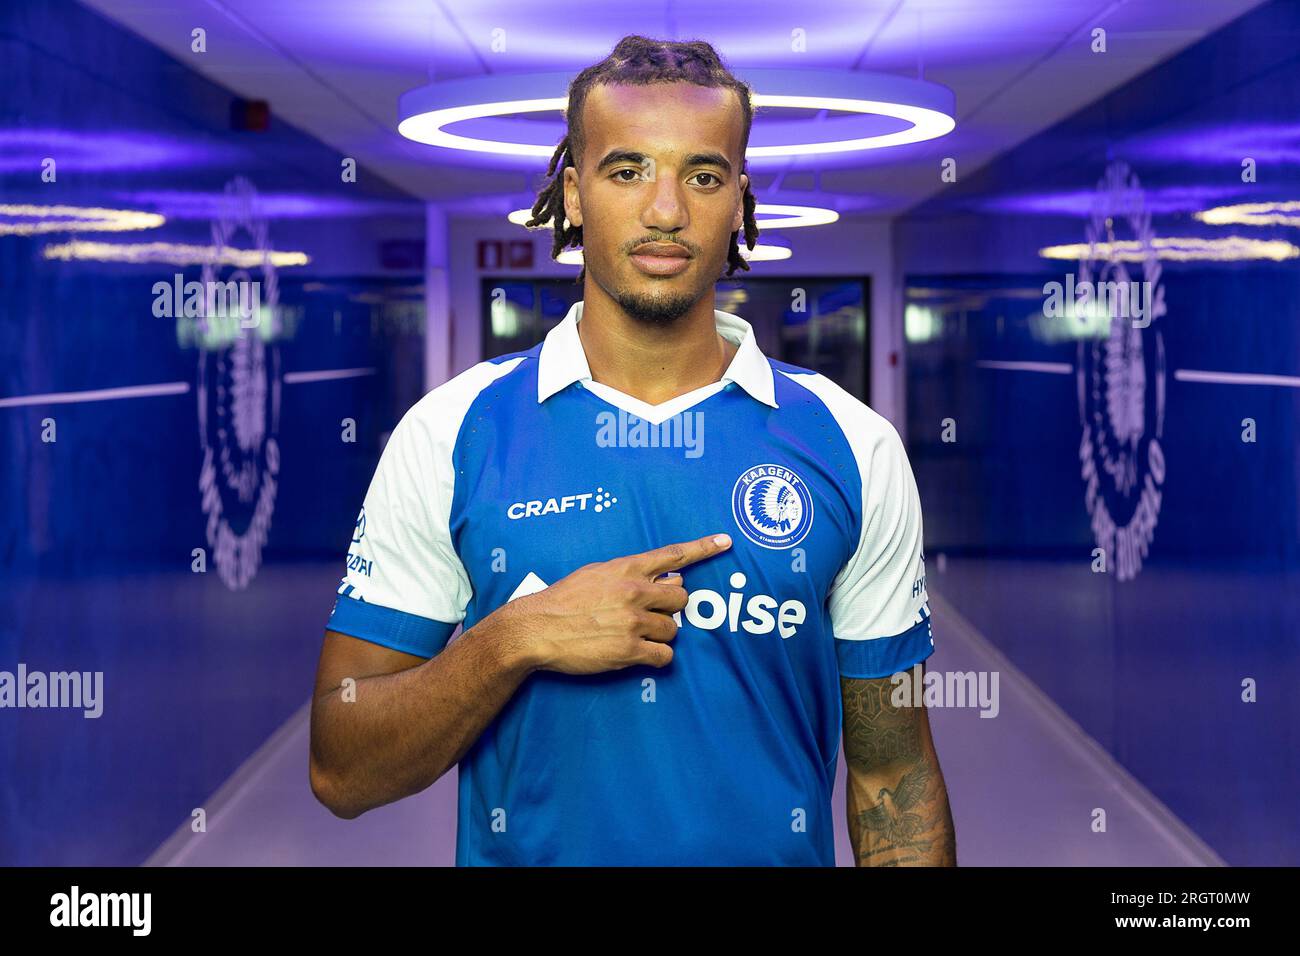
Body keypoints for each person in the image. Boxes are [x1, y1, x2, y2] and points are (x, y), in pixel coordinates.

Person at [309, 34, 955, 866]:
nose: (665, 210)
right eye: (627, 171)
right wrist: (513, 638)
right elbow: (343, 768)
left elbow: (892, 773)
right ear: (573, 194)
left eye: (703, 175)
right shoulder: (451, 432)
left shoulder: (852, 444)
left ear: (740, 200)